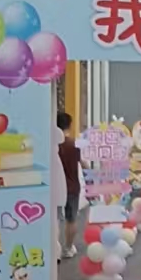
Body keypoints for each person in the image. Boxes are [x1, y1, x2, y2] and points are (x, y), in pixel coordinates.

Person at [57, 109, 82, 257]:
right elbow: (85, 164)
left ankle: (55, 248)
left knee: (54, 219)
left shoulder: (52, 144)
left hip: (55, 186)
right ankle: (68, 247)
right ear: (70, 125)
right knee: (71, 219)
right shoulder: (74, 144)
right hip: (72, 187)